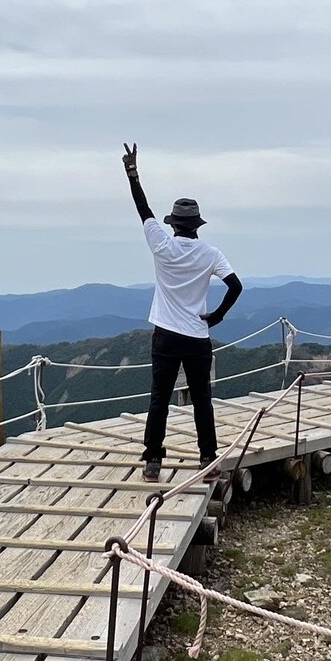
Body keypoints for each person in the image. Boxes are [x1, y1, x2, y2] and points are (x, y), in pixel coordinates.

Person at [122, 143, 243, 481]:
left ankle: (152, 461)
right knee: (202, 399)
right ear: (197, 226)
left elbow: (143, 209)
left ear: (174, 224)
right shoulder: (211, 253)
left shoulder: (162, 245)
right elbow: (236, 286)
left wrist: (133, 175)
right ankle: (208, 459)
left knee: (159, 397)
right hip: (197, 336)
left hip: (165, 334)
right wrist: (216, 316)